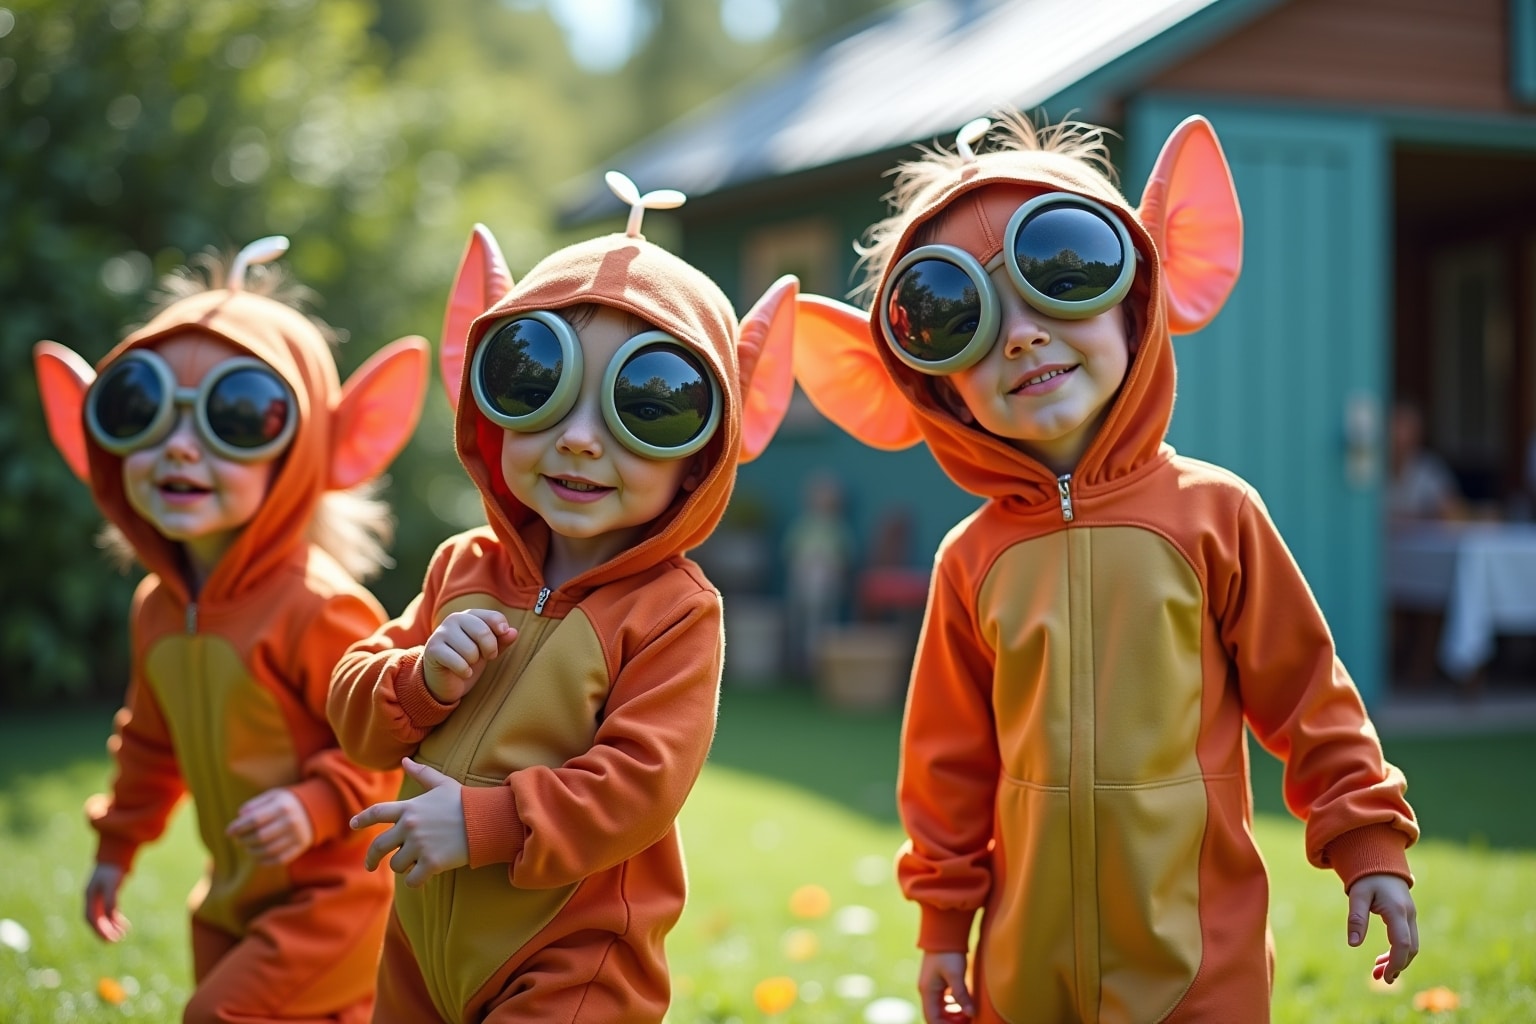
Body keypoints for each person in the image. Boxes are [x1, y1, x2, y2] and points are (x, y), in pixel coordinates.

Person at [791, 112, 1420, 1023]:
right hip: (1021, 971)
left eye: (1062, 277)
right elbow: (947, 769)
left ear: (1135, 300)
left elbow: (1308, 695)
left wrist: (1366, 841)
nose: (1022, 336)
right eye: (960, 317)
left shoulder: (1217, 515)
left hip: (1200, 964)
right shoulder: (968, 563)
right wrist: (940, 930)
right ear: (935, 390)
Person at [325, 174, 798, 1023]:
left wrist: (488, 821)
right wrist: (419, 678)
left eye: (647, 406)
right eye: (536, 382)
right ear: (488, 408)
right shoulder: (461, 564)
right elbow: (352, 713)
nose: (579, 438)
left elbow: (641, 783)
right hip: (420, 939)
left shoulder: (677, 611)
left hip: (573, 961)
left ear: (704, 453)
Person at [32, 237, 430, 1023]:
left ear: (306, 447)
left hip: (338, 892)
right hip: (236, 888)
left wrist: (317, 804)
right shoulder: (158, 606)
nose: (178, 445)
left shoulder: (321, 607)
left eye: (236, 417)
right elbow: (151, 742)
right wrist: (117, 848)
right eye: (140, 410)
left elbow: (397, 745)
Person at [783, 471, 854, 676]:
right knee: (800, 621)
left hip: (826, 584)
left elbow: (844, 557)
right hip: (802, 581)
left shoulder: (837, 529)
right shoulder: (804, 526)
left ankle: (819, 664)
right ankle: (797, 661)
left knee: (823, 623)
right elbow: (791, 552)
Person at [1387, 401, 1465, 521]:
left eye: (1407, 428)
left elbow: (1453, 510)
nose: (1400, 436)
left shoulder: (1429, 468)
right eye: (1397, 426)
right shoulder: (1373, 469)